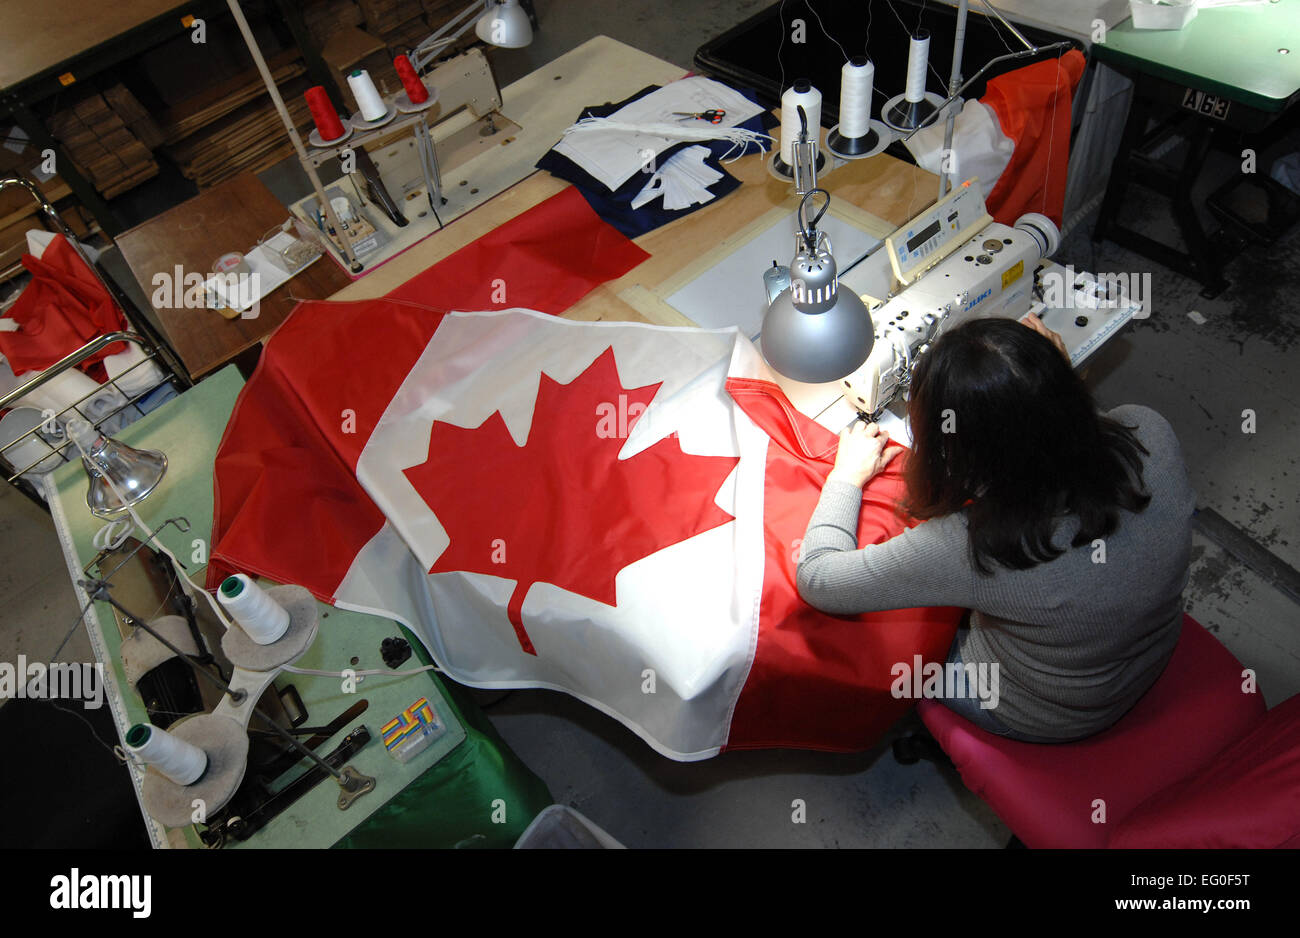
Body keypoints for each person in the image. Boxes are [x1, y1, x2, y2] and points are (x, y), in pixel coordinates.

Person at [796, 314, 1195, 742]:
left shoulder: (978, 547)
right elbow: (1074, 439)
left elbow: (817, 579)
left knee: (877, 643)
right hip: (1148, 652)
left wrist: (845, 477)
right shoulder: (1149, 429)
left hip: (1048, 709)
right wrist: (1039, 389)